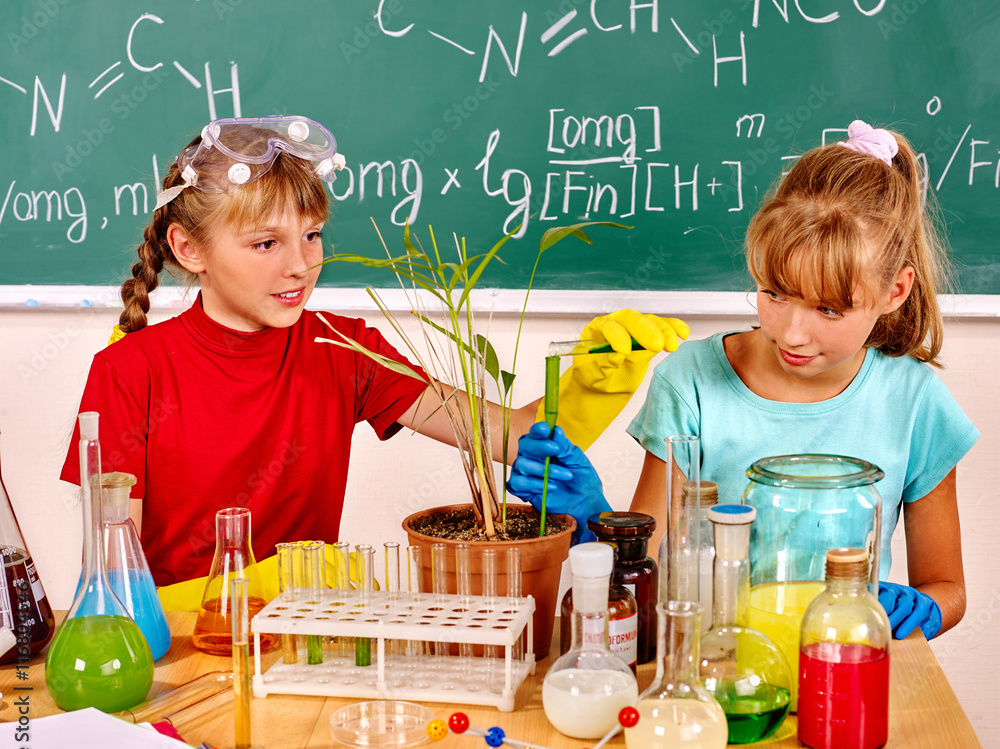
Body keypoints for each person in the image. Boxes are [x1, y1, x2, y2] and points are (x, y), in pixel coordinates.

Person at [59, 115, 686, 594]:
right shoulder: (128, 371)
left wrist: (593, 381)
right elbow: (112, 577)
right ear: (189, 249)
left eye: (311, 236)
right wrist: (230, 599)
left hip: (305, 630)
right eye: (264, 244)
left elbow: (507, 437)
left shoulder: (344, 347)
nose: (301, 264)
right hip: (178, 648)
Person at [509, 121, 980, 641]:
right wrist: (596, 522)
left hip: (841, 671)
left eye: (827, 308)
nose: (793, 333)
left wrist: (925, 606)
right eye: (774, 293)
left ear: (895, 290)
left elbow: (946, 585)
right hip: (717, 672)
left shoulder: (916, 403)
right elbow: (648, 577)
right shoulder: (690, 382)